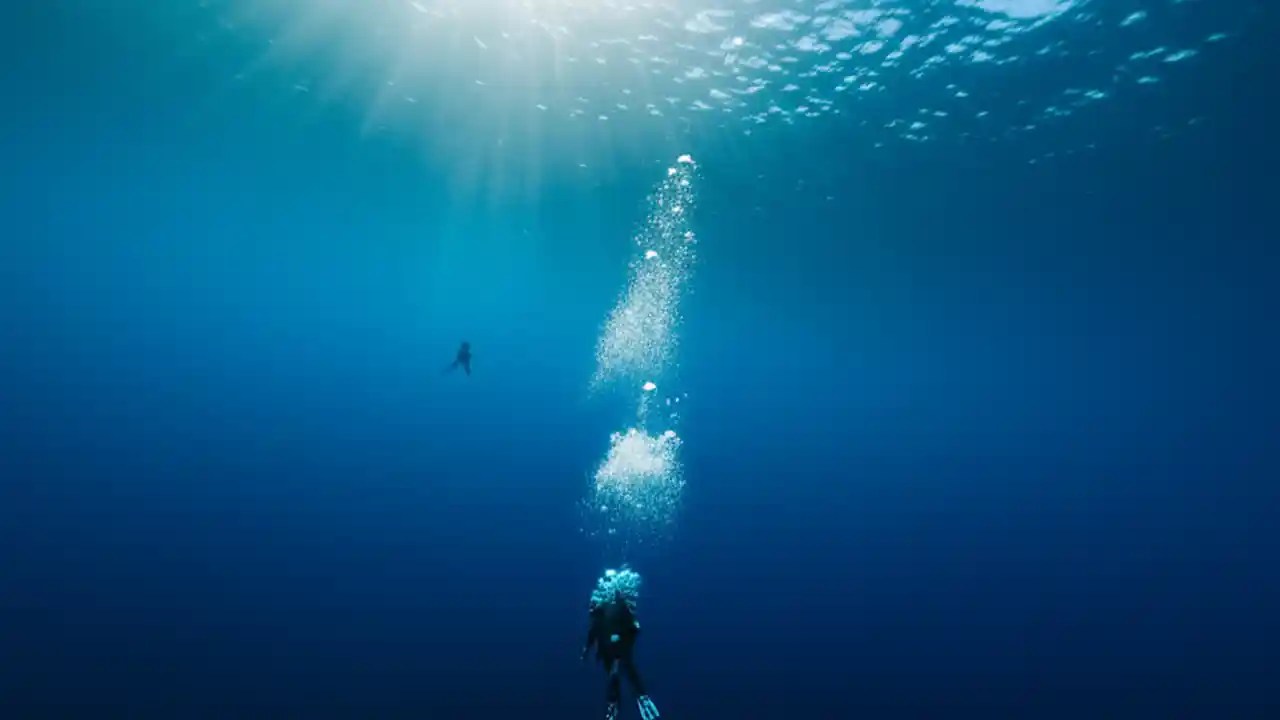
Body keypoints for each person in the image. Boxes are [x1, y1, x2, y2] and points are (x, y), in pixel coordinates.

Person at [582, 570, 660, 720]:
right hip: (608, 648)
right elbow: (593, 631)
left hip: (618, 646)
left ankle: (634, 698)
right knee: (615, 674)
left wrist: (588, 649)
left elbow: (632, 628)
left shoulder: (618, 605)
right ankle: (620, 702)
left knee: (618, 671)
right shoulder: (601, 609)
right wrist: (586, 649)